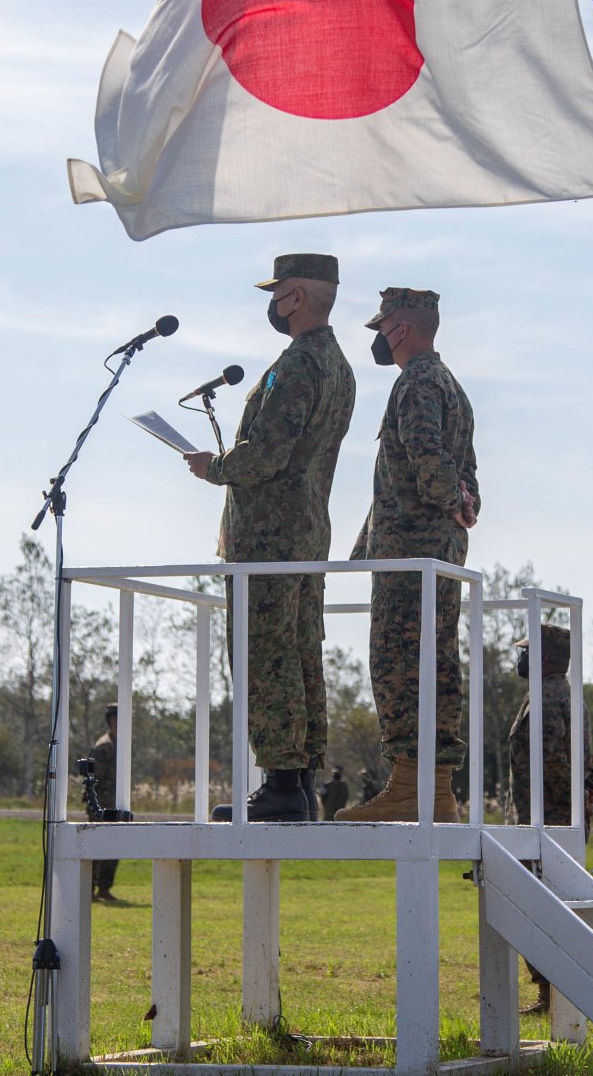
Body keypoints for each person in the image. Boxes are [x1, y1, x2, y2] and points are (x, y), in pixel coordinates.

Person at [184, 254, 355, 822]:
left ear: (296, 297)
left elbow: (268, 453)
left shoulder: (298, 363)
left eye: (278, 293)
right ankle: (299, 781)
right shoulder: (338, 365)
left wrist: (215, 467)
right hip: (305, 532)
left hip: (268, 538)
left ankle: (281, 785)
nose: (273, 304)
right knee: (301, 652)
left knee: (266, 654)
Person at [339, 288, 478, 823]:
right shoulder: (447, 383)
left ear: (399, 328)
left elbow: (428, 460)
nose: (379, 337)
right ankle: (435, 789)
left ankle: (408, 786)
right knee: (434, 664)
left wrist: (451, 501)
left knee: (398, 663)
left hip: (409, 554)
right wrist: (462, 506)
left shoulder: (417, 383)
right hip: (434, 550)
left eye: (382, 327)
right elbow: (464, 472)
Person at [509, 621, 593, 1015]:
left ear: (544, 657)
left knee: (535, 906)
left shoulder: (547, 697)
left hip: (548, 821)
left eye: (527, 652)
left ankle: (554, 992)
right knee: (546, 906)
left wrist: (550, 823)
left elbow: (554, 763)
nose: (521, 658)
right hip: (555, 818)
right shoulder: (560, 693)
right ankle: (552, 993)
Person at [88, 704, 120, 901]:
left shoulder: (120, 744)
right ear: (113, 720)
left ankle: (104, 888)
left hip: (116, 805)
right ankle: (89, 888)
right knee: (97, 846)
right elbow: (93, 777)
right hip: (102, 805)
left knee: (115, 847)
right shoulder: (104, 746)